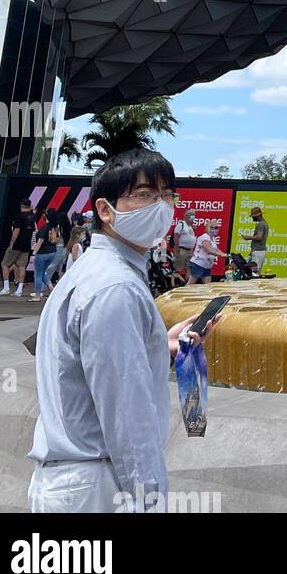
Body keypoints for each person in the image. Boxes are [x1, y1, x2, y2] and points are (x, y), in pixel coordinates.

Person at [28, 147, 220, 513]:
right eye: (145, 195)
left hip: (79, 481)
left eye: (168, 196)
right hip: (99, 486)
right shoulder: (114, 287)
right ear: (104, 209)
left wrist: (159, 348)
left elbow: (98, 370)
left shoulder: (95, 271)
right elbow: (126, 417)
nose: (161, 207)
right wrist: (150, 501)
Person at [0, 197, 37, 297]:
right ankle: (19, 289)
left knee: (5, 264)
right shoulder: (31, 217)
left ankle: (6, 287)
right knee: (22, 266)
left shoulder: (20, 216)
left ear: (21, 205)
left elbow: (16, 231)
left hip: (17, 245)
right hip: (27, 245)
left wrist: (11, 243)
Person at [31, 218, 63, 301]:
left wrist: (34, 252)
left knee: (38, 274)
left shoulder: (45, 227)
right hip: (52, 252)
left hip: (42, 253)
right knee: (43, 272)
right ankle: (51, 288)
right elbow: (58, 239)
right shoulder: (56, 228)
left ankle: (37, 295)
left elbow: (40, 241)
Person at [169, 207, 197, 283]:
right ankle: (176, 284)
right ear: (186, 215)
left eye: (194, 215)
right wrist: (177, 249)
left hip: (190, 251)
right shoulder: (181, 224)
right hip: (182, 250)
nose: (193, 216)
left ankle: (186, 283)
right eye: (191, 214)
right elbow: (176, 237)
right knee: (178, 268)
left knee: (189, 268)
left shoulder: (190, 226)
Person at [243, 205, 270, 272]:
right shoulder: (264, 223)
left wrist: (248, 237)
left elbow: (259, 237)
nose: (252, 218)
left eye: (253, 217)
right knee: (254, 271)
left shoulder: (261, 224)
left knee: (254, 272)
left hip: (258, 252)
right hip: (258, 251)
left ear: (258, 216)